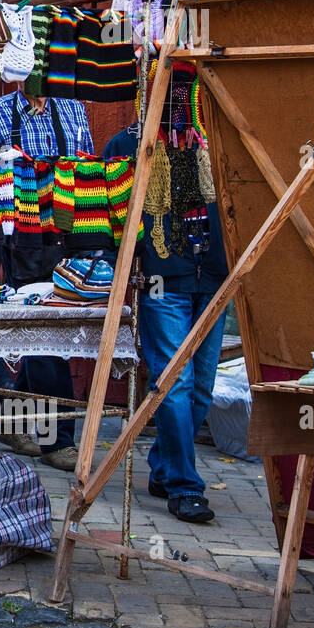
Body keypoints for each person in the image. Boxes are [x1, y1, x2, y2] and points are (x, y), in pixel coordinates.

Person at [105, 121, 227, 524]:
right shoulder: (128, 143)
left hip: (213, 277)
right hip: (162, 281)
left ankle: (164, 467)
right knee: (175, 383)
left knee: (202, 389)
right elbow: (115, 216)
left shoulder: (215, 138)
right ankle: (185, 487)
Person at [0, 88, 93, 470]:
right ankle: (58, 441)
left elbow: (88, 168)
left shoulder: (74, 109)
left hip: (69, 232)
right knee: (46, 330)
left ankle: (8, 415)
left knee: (48, 336)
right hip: (20, 239)